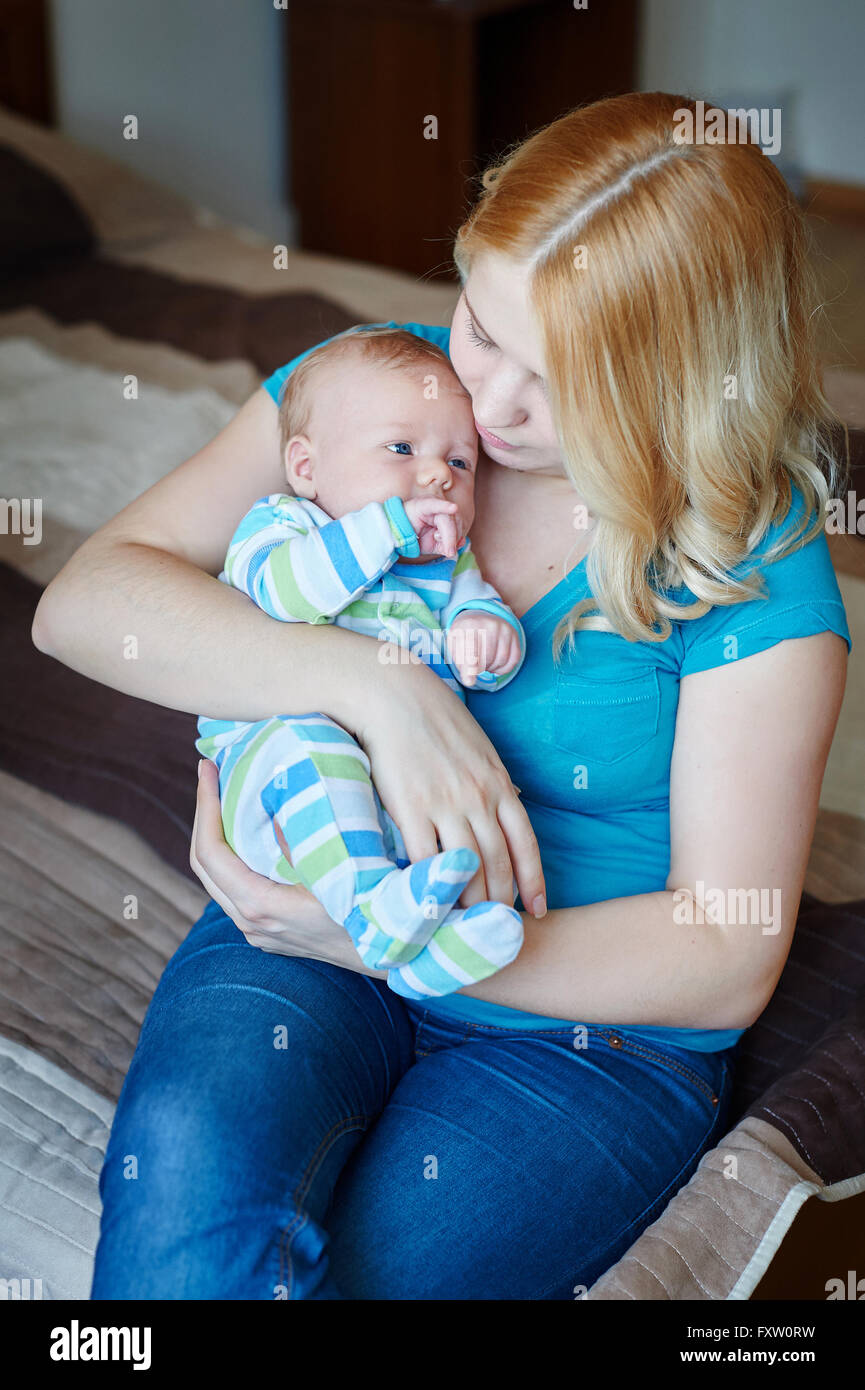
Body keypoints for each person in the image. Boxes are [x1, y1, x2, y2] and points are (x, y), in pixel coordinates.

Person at [33, 91, 850, 1300]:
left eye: (560, 377)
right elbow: (86, 601)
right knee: (186, 1227)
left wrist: (413, 954)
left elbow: (727, 948)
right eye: (481, 322)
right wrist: (372, 684)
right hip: (319, 924)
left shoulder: (752, 559)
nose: (492, 404)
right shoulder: (384, 397)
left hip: (582, 1032)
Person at [196, 324, 527, 999]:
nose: (436, 473)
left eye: (459, 462)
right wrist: (391, 526)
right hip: (281, 786)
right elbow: (289, 595)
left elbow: (483, 611)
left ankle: (429, 950)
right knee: (310, 740)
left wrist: (486, 638)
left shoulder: (446, 564)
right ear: (307, 466)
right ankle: (371, 918)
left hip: (393, 796)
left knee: (446, 835)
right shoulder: (283, 526)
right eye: (400, 449)